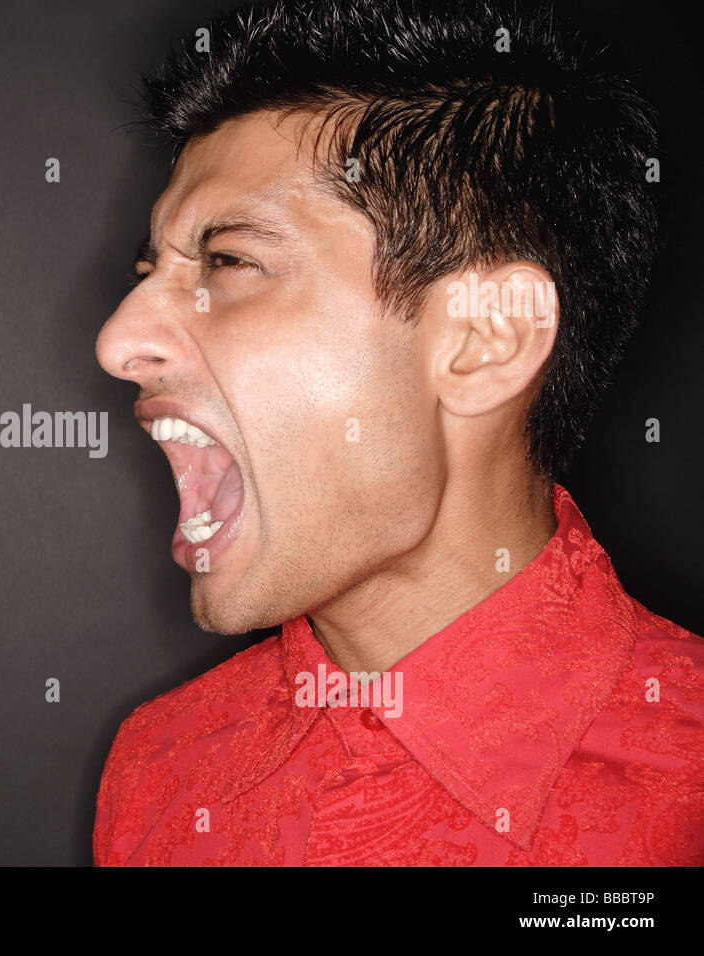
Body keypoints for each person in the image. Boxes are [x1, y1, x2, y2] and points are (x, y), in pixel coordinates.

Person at [92, 0, 704, 865]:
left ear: (486, 338)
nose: (118, 342)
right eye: (150, 271)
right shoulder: (162, 764)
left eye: (227, 262)